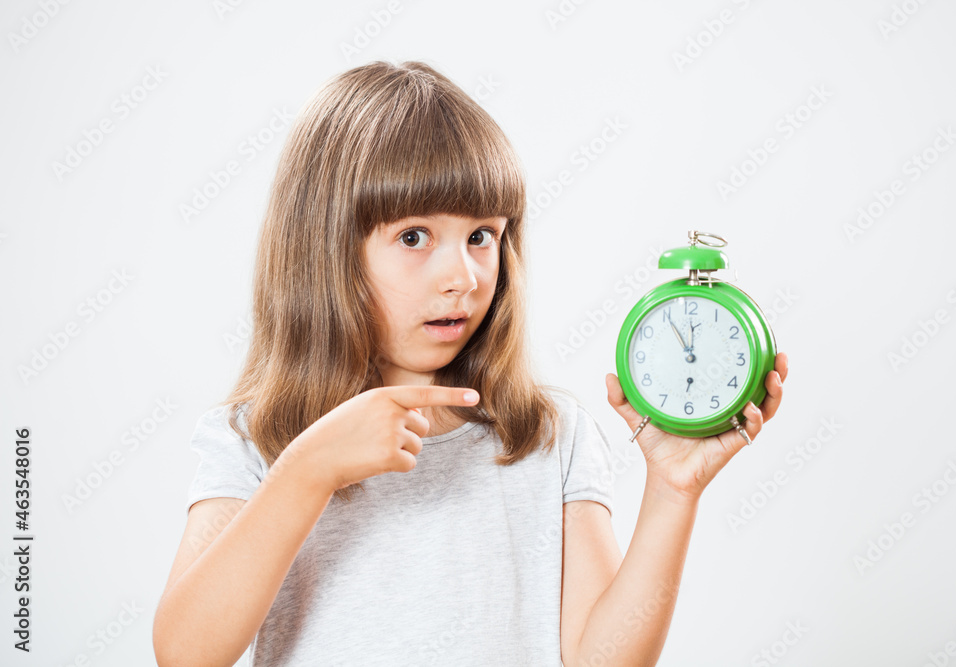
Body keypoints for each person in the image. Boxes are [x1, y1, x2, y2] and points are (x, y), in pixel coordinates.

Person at [152, 60, 789, 667]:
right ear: (324, 250)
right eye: (413, 237)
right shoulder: (253, 437)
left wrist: (672, 493)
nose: (462, 276)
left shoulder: (546, 434)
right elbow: (186, 652)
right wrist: (307, 472)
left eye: (481, 236)